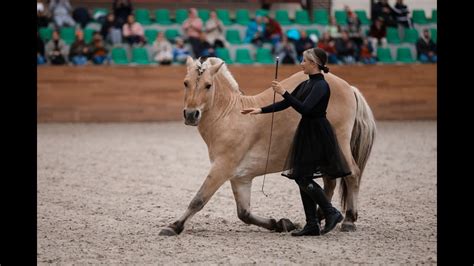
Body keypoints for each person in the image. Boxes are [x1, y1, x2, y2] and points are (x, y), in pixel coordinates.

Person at [241, 47, 350, 236]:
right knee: (302, 176)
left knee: (302, 177)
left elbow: (305, 109)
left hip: (317, 133)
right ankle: (312, 224)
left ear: (314, 64)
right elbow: (286, 104)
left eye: (304, 61)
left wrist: (284, 92)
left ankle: (330, 212)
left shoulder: (321, 86)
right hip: (307, 132)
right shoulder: (307, 84)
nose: (301, 64)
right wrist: (260, 110)